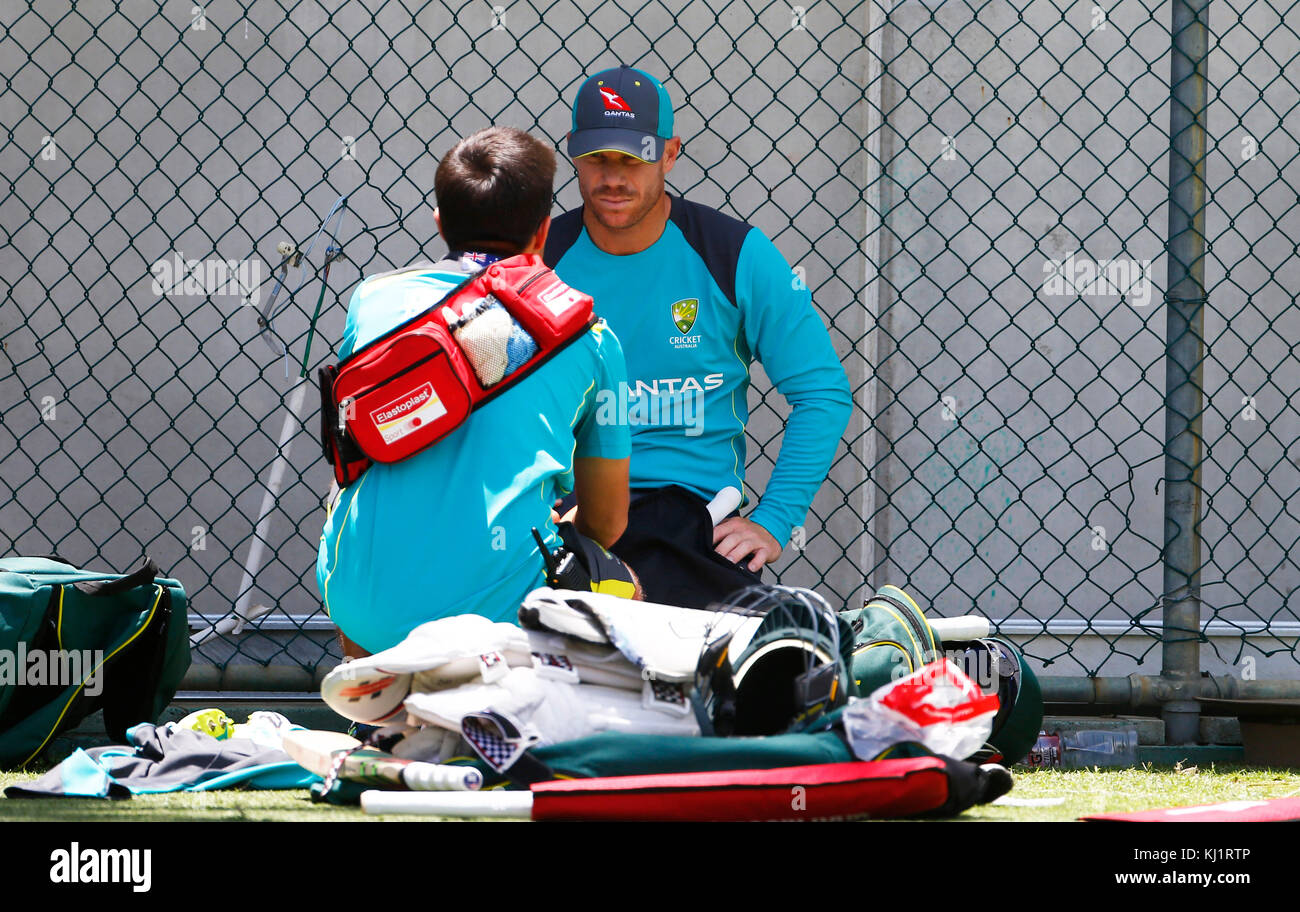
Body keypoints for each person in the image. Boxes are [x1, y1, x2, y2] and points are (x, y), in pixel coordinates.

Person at [317, 126, 634, 657]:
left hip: (362, 604)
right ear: (543, 231)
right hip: (499, 623)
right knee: (625, 586)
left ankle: (376, 717)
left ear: (440, 224)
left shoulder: (372, 301)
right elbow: (607, 520)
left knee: (361, 526)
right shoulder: (591, 337)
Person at [544, 65, 852, 608]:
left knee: (725, 675)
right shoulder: (540, 257)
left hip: (691, 522)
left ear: (670, 153)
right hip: (569, 517)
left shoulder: (734, 253)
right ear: (572, 153)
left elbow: (822, 391)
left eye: (632, 158)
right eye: (597, 159)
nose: (613, 177)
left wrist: (774, 521)